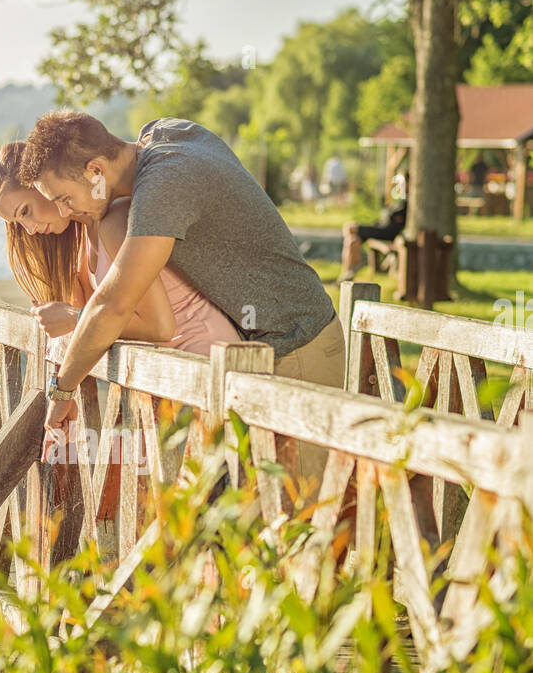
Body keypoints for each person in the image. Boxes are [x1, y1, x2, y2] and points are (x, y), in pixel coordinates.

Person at [18, 111, 346, 488]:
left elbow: (114, 305)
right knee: (254, 516)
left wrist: (63, 389)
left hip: (298, 345)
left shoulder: (163, 185)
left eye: (64, 198)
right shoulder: (164, 134)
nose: (63, 212)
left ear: (95, 170)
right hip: (258, 349)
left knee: (297, 515)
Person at [0, 141, 242, 356]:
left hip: (205, 356)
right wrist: (62, 390)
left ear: (41, 184)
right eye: (19, 223)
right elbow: (90, 329)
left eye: (26, 211)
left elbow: (155, 326)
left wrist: (75, 319)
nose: (30, 229)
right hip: (167, 368)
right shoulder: (81, 240)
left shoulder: (116, 219)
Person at [340, 174, 408, 281]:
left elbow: (393, 221)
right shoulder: (399, 200)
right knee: (352, 240)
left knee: (350, 228)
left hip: (387, 233)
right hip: (381, 229)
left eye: (400, 182)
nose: (398, 185)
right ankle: (347, 271)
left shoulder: (406, 202)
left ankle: (354, 266)